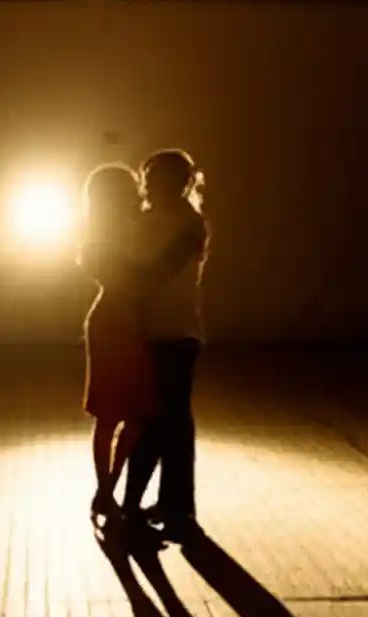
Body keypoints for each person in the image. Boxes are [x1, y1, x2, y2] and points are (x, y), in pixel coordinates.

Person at [122, 149, 210, 542]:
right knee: (170, 423)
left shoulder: (190, 224)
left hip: (174, 333)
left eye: (163, 177)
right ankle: (174, 506)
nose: (155, 184)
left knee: (163, 422)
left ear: (182, 183)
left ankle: (161, 506)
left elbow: (158, 271)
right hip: (154, 331)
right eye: (152, 177)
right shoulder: (147, 221)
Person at [77, 163, 160, 526]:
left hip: (116, 318)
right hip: (120, 320)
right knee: (124, 413)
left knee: (119, 415)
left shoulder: (98, 235)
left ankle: (106, 487)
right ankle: (106, 488)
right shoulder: (117, 234)